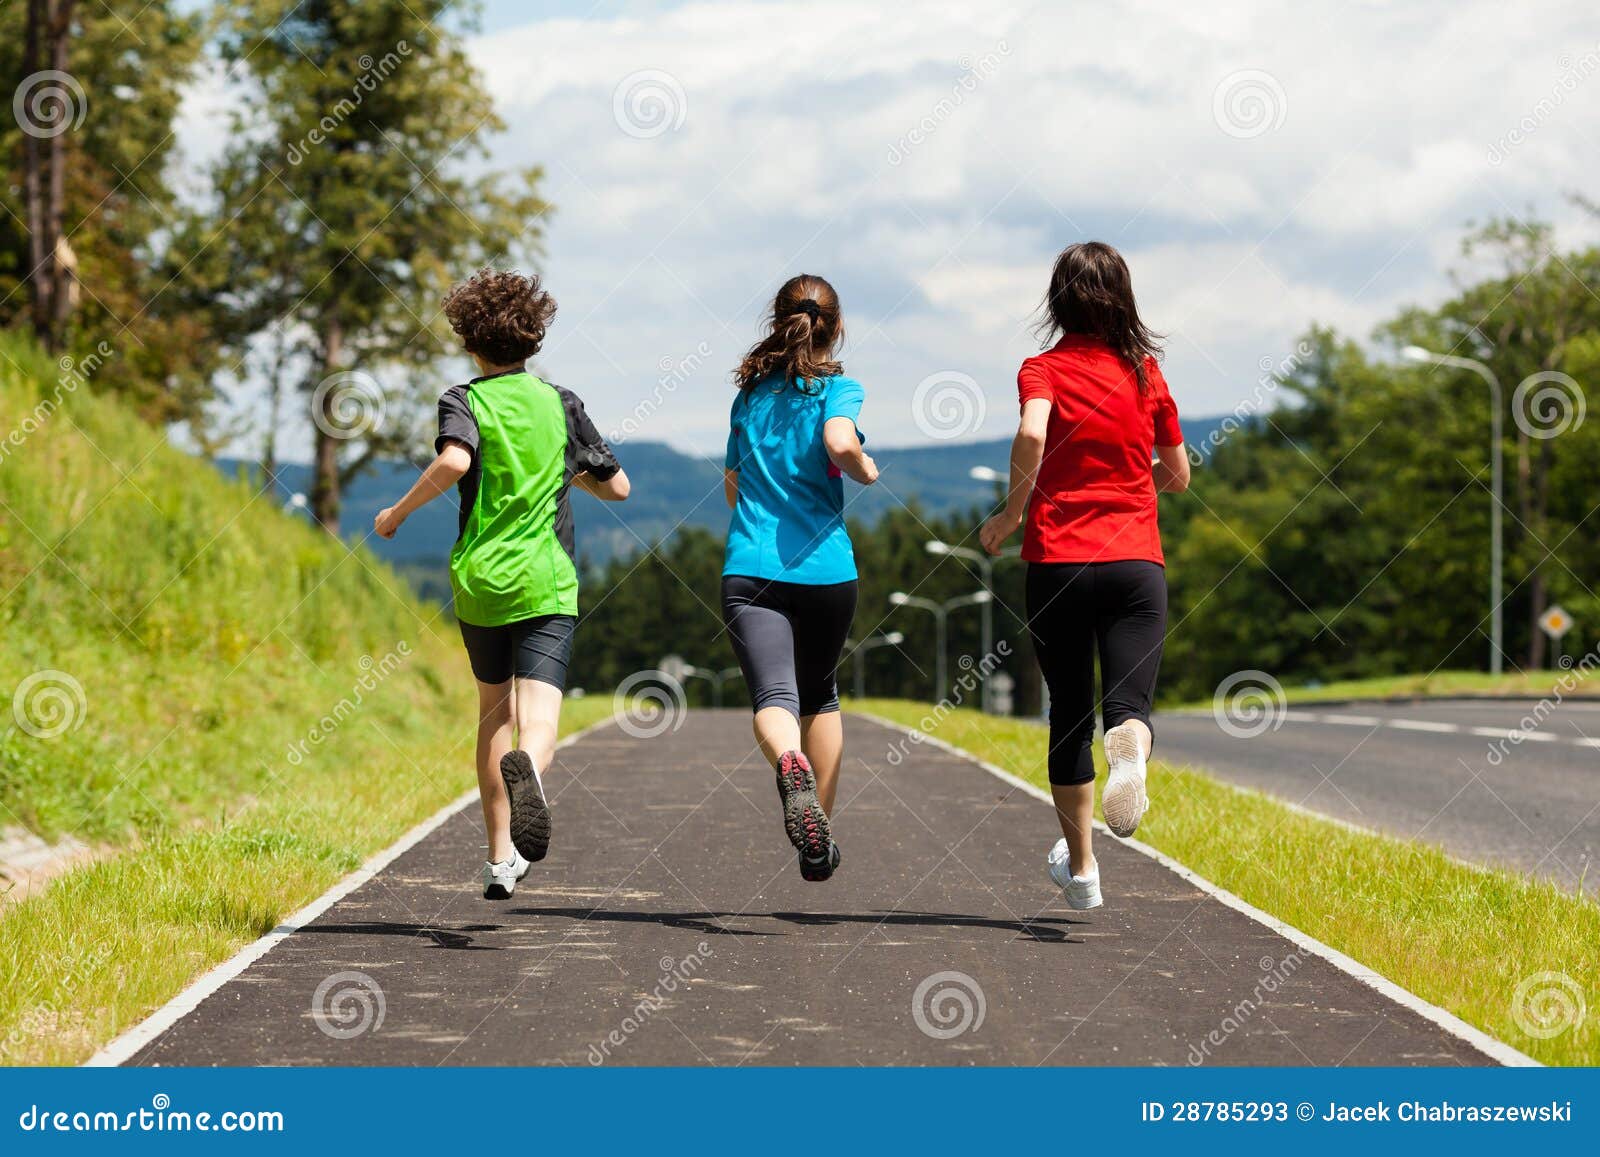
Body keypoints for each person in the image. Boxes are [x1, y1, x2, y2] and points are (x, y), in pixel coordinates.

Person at [375, 268, 630, 900]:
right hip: (545, 580)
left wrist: (397, 514)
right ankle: (533, 781)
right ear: (534, 338)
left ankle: (498, 860)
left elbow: (455, 460)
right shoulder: (561, 402)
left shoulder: (464, 400)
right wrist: (568, 473)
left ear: (468, 339)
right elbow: (618, 486)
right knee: (539, 716)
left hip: (482, 582)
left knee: (494, 713)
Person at [979, 241, 1189, 910]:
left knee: (1068, 714)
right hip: (1134, 563)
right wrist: (1133, 489)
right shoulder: (1145, 373)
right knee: (1128, 706)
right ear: (1123, 298)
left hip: (1059, 563)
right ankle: (1130, 747)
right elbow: (1178, 474)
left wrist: (1013, 511)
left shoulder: (1041, 368)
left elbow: (1033, 435)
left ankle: (1085, 871)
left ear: (1058, 300)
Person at [722, 274, 877, 882]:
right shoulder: (841, 387)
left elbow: (733, 487)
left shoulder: (750, 396)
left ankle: (790, 763)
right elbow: (841, 443)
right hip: (827, 571)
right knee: (821, 694)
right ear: (835, 327)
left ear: (777, 321)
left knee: (774, 700)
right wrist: (863, 467)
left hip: (753, 568)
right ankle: (819, 841)